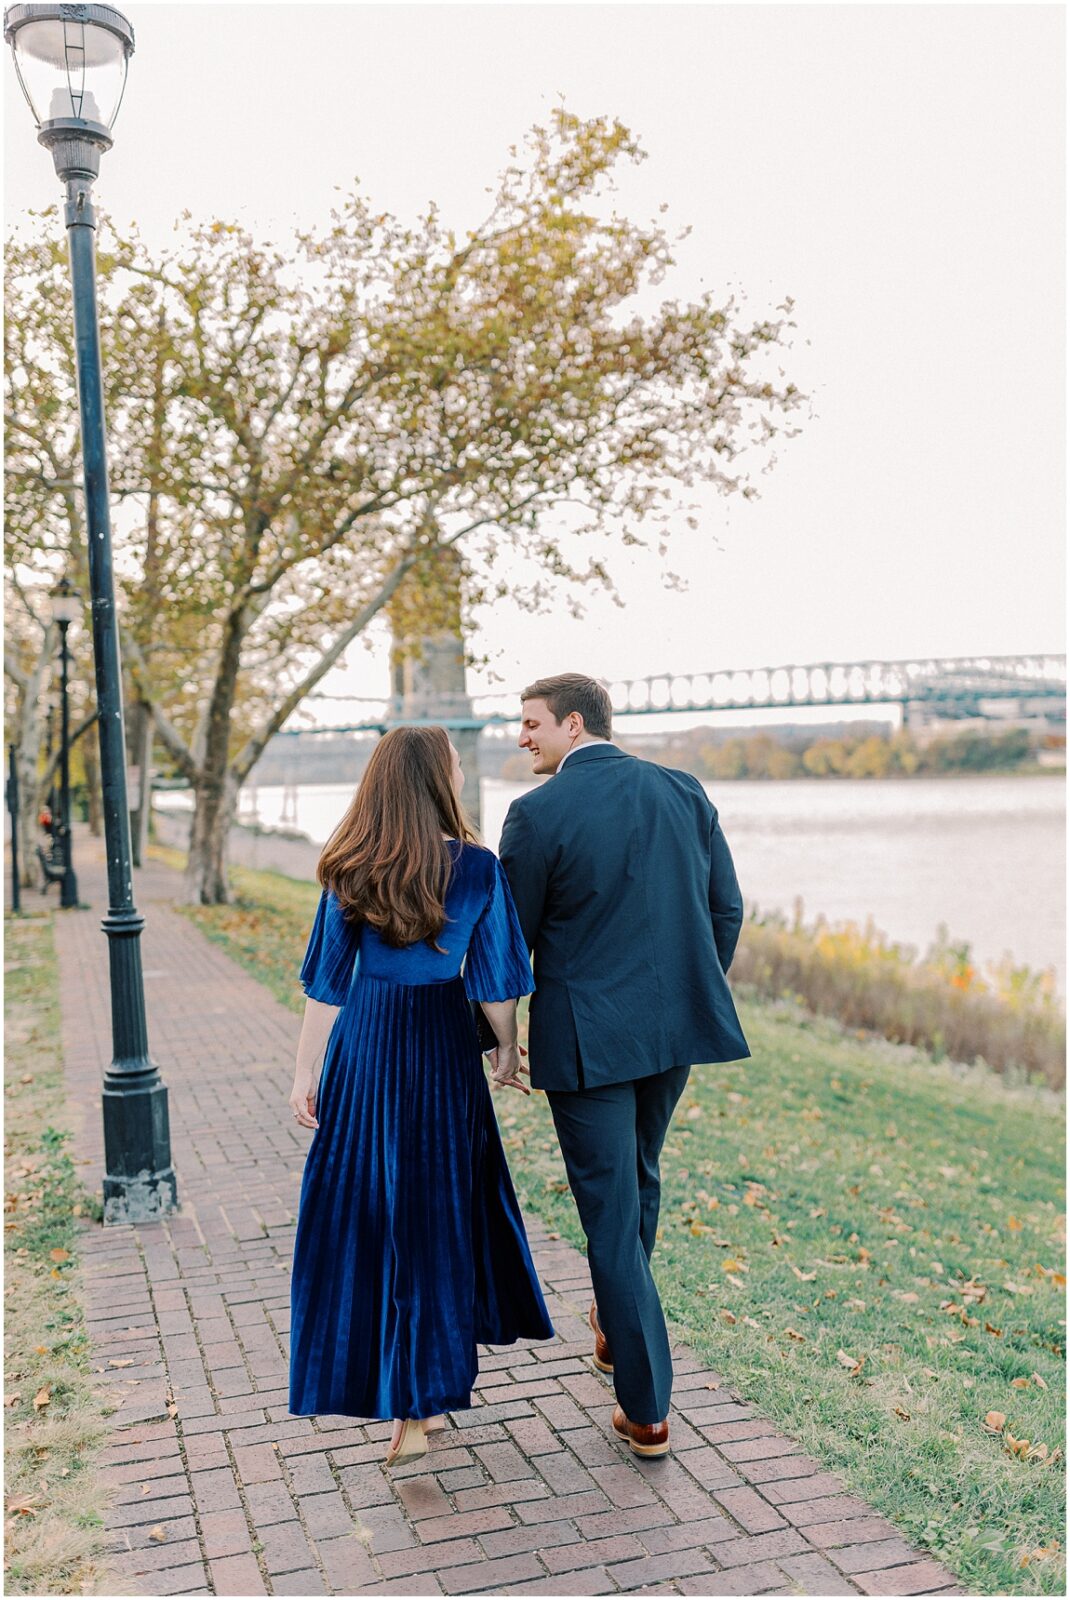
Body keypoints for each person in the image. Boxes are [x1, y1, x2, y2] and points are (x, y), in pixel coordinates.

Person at [485, 672, 749, 1458]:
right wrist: (692, 991)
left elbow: (510, 940)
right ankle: (615, 1318)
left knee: (609, 1208)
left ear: (573, 724)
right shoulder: (683, 790)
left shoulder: (536, 814)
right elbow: (726, 909)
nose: (521, 738)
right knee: (638, 1176)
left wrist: (499, 1036)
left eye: (531, 724)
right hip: (672, 1033)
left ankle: (646, 1407)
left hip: (588, 1042)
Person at [287, 725, 553, 1467]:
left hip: (366, 1048)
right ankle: (423, 1396)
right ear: (437, 779)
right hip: (440, 1050)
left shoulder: (350, 864)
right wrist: (505, 1048)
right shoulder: (475, 867)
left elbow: (326, 986)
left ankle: (408, 1398)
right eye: (456, 765)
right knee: (438, 1211)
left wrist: (305, 1073)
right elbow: (496, 982)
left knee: (372, 1212)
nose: (461, 774)